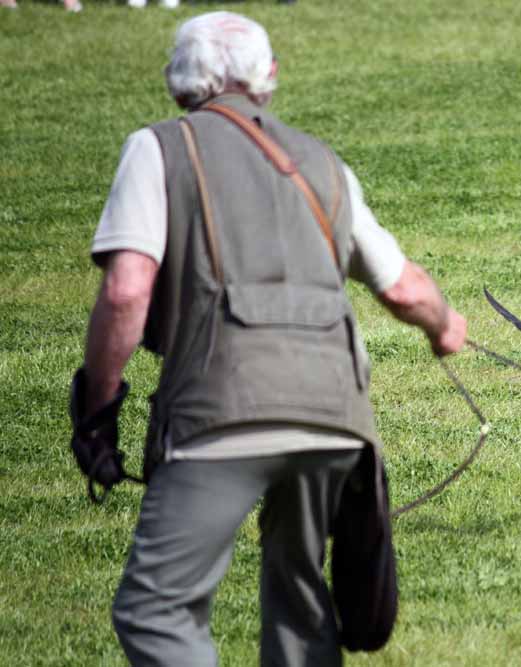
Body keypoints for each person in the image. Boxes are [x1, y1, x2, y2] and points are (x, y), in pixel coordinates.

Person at [75, 10, 466, 666]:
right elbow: (402, 287)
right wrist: (447, 326)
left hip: (219, 408)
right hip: (337, 416)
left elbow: (125, 291)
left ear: (177, 83)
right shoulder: (322, 161)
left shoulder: (159, 146)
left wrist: (97, 406)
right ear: (270, 79)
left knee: (157, 608)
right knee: (301, 598)